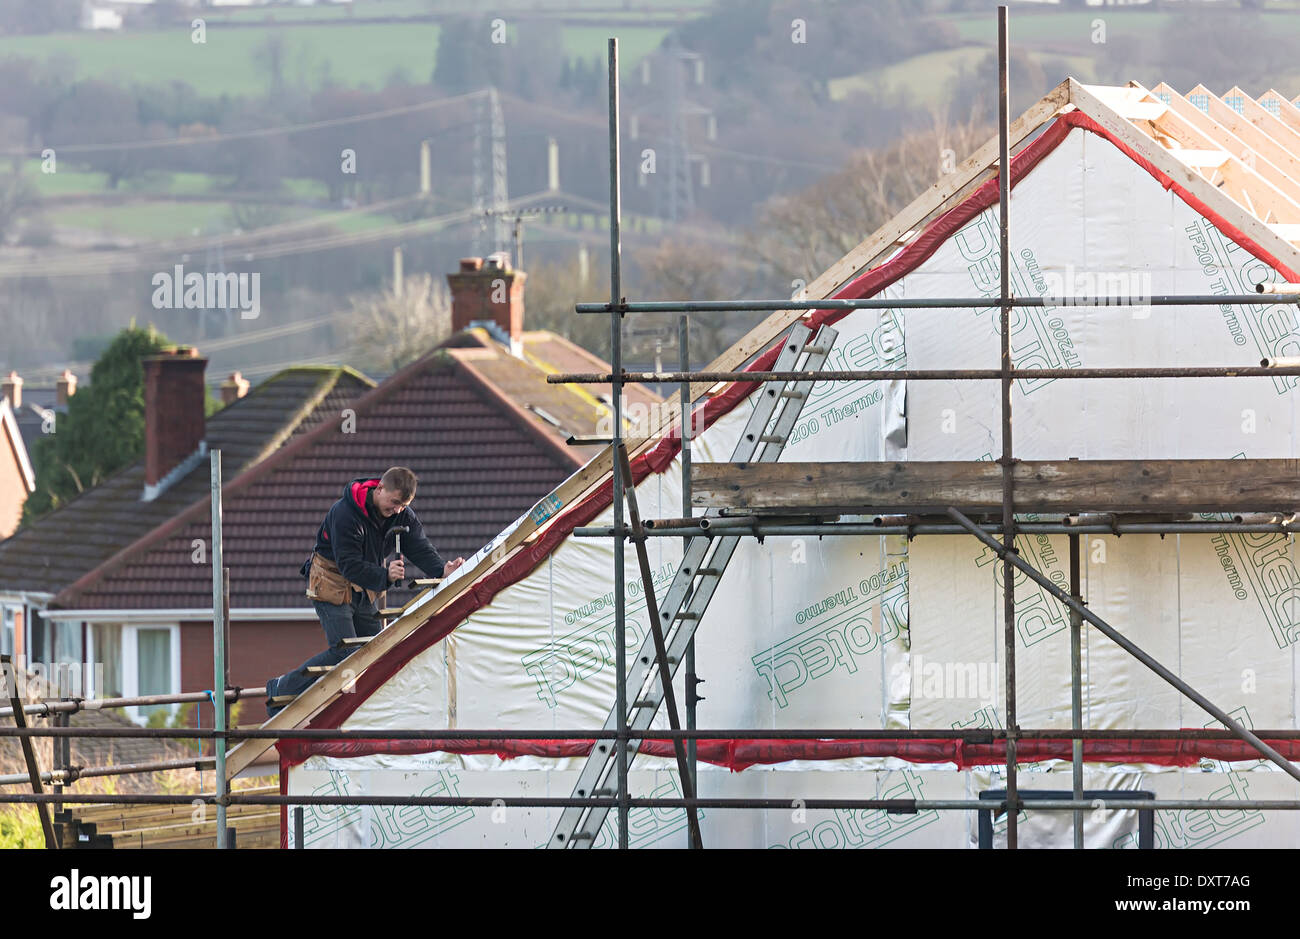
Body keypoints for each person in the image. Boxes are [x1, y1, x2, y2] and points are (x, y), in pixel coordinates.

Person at [265, 466, 465, 718]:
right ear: (380, 488)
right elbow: (349, 565)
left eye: (403, 505)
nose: (397, 511)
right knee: (345, 651)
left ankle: (369, 715)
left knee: (375, 649)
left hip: (364, 584)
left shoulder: (401, 514)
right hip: (331, 580)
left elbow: (418, 546)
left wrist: (441, 569)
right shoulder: (345, 514)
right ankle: (281, 688)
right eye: (393, 503)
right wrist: (385, 576)